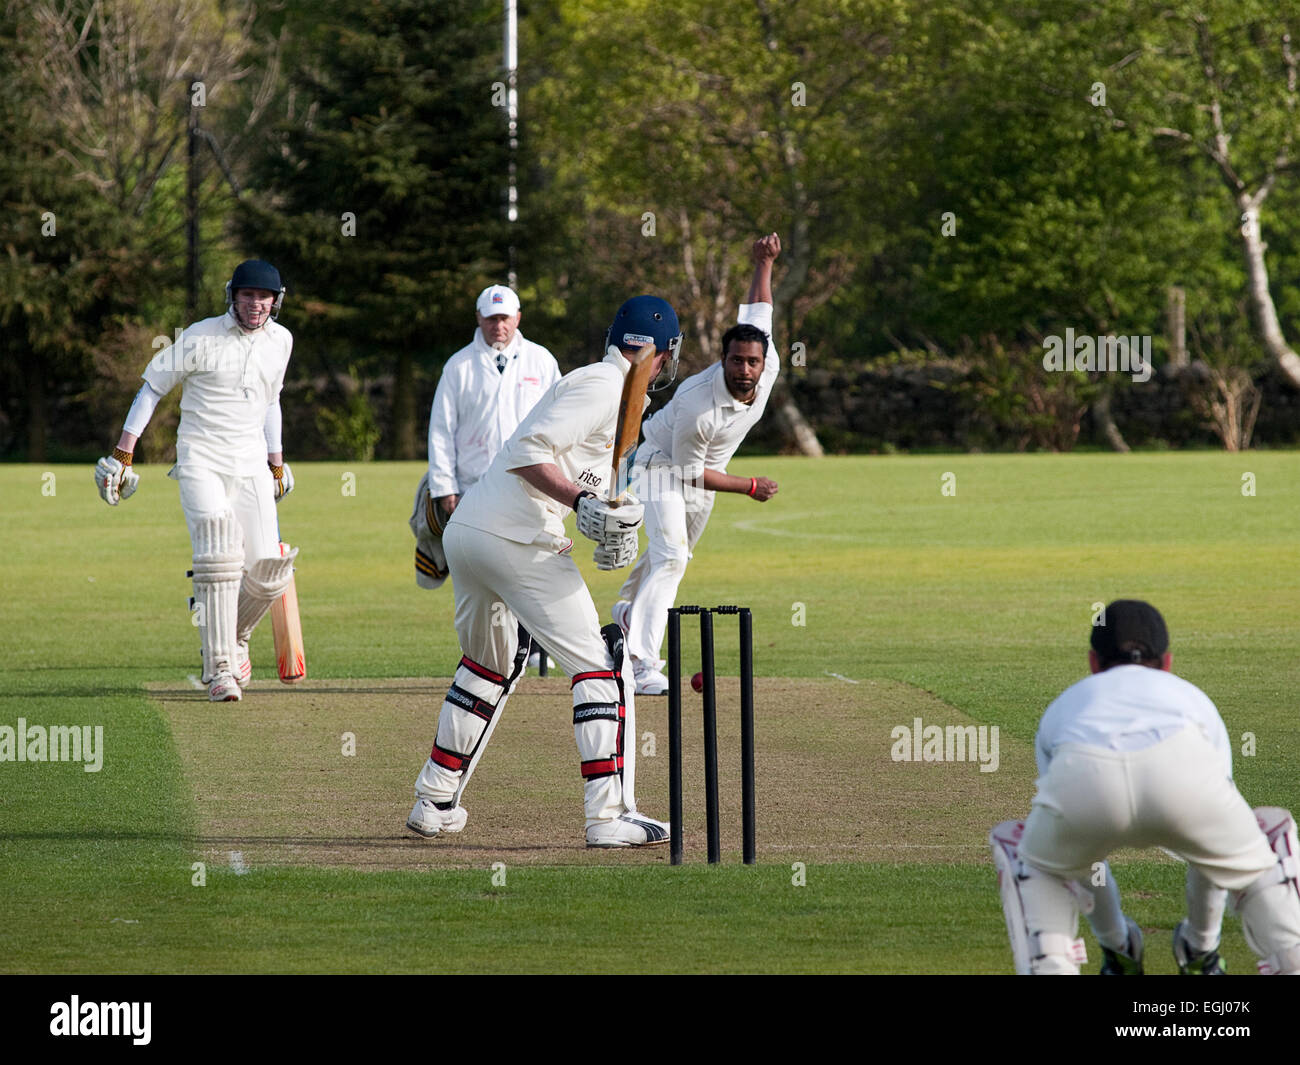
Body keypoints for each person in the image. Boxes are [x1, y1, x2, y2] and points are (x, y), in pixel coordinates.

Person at [405, 294, 683, 847]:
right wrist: (581, 504)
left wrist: (607, 527)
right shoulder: (605, 385)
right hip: (515, 537)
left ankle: (433, 801)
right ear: (661, 351)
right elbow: (528, 452)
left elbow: (578, 483)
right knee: (604, 665)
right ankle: (608, 817)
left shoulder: (617, 391)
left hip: (475, 535)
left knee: (488, 667)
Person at [991, 599, 1300, 975]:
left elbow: (1082, 858)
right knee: (1261, 834)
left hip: (1085, 783)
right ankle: (1251, 955)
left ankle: (1071, 959)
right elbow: (1214, 847)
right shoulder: (1192, 699)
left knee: (1032, 856)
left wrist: (1112, 936)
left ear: (1093, 662)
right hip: (1185, 779)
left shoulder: (1066, 704)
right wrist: (1203, 940)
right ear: (1167, 663)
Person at [93, 260, 297, 703]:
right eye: (248, 296)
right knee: (220, 552)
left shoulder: (281, 341)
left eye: (264, 297)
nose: (256, 304)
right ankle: (220, 667)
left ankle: (231, 633)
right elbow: (152, 387)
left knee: (269, 572)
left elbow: (271, 402)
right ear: (233, 296)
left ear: (276, 300)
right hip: (201, 460)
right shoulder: (201, 336)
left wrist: (276, 463)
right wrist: (124, 454)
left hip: (251, 466)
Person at [610, 233, 782, 695]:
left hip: (705, 474)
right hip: (659, 465)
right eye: (736, 361)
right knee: (670, 556)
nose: (745, 369)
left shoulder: (767, 367)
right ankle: (640, 661)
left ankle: (627, 613)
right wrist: (748, 486)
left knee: (675, 553)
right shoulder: (696, 404)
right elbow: (686, 473)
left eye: (752, 362)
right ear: (723, 360)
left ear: (763, 364)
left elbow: (758, 312)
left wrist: (762, 261)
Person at [411, 284, 560, 670]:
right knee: (483, 569)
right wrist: (445, 489)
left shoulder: (541, 361)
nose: (498, 326)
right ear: (479, 318)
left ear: (518, 318)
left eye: (505, 318)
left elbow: (559, 421)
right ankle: (493, 651)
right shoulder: (458, 366)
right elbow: (441, 431)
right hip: (472, 487)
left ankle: (530, 642)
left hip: (530, 482)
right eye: (491, 318)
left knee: (530, 561)